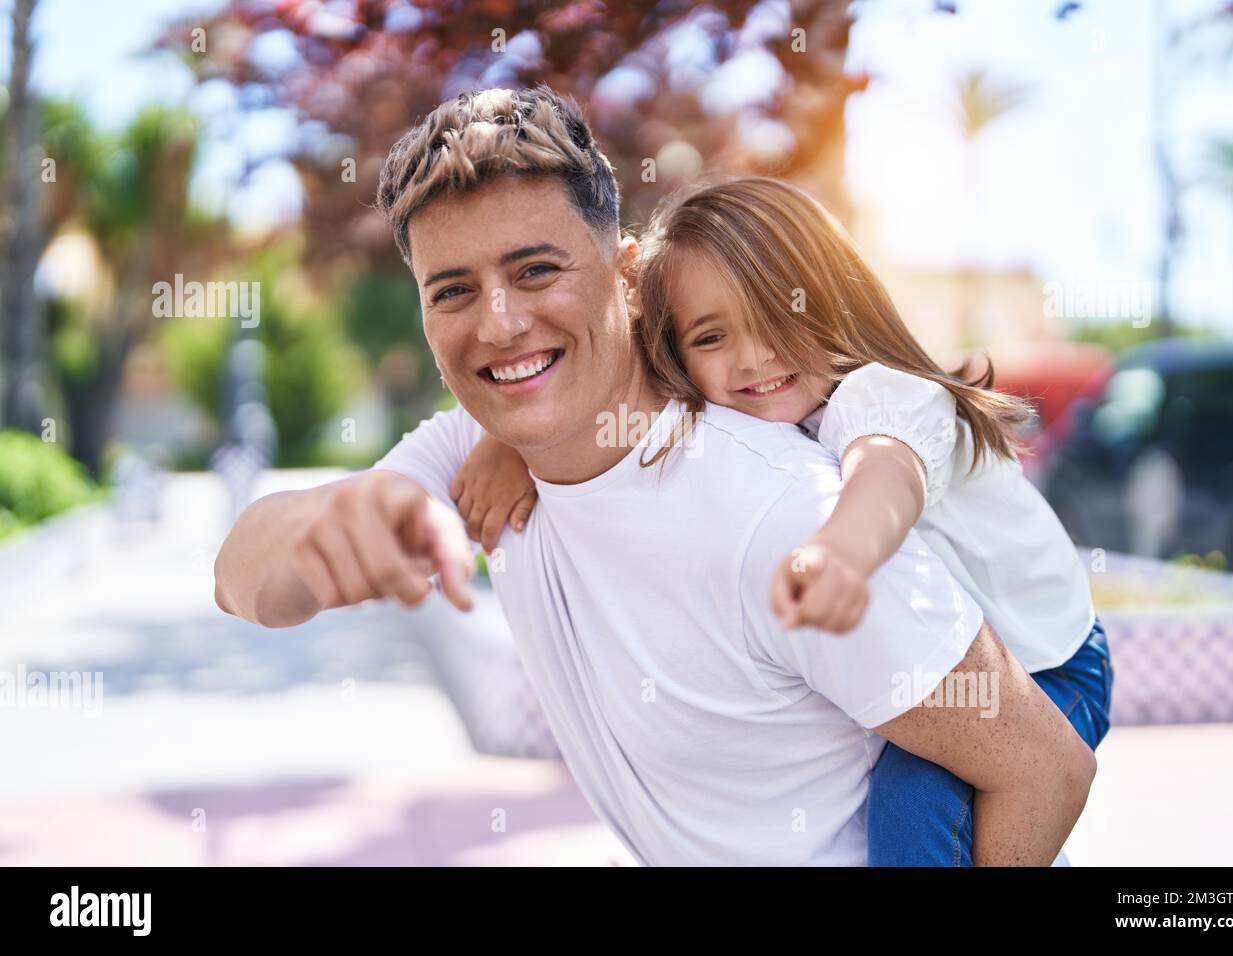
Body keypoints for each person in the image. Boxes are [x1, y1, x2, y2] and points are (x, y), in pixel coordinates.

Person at [213, 86, 1097, 866]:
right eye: (453, 291)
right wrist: (340, 531)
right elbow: (240, 580)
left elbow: (1045, 766)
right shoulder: (482, 452)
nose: (501, 322)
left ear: (629, 277)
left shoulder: (785, 511)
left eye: (536, 270)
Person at [455, 176, 1115, 865]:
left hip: (1052, 663)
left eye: (780, 316)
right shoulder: (744, 425)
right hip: (971, 658)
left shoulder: (884, 395)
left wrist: (843, 551)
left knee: (913, 806)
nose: (753, 357)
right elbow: (599, 352)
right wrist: (510, 438)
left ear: (839, 304)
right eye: (711, 336)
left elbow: (886, 474)